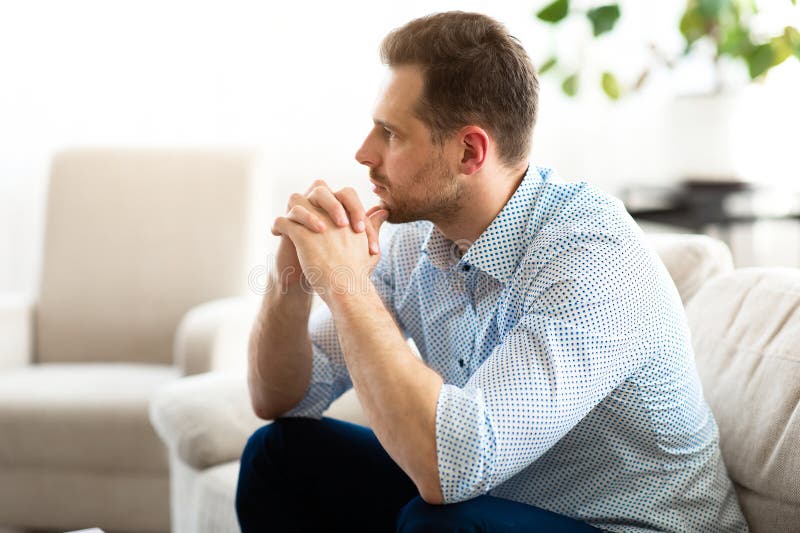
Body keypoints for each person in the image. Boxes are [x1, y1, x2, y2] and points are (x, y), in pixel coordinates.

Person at [235, 11, 748, 533]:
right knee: (278, 454)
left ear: (469, 151)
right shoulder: (415, 238)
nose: (364, 153)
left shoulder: (593, 260)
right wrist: (292, 277)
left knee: (441, 524)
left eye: (390, 133)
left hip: (627, 526)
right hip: (500, 501)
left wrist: (348, 290)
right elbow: (280, 398)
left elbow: (449, 471)